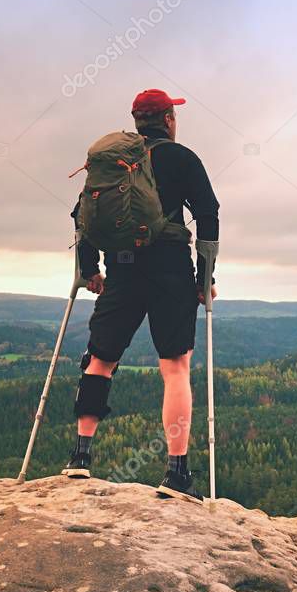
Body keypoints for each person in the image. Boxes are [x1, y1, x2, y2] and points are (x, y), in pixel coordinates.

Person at [64, 88, 219, 501]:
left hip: (122, 268)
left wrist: (89, 269)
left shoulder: (112, 162)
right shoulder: (182, 158)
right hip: (170, 267)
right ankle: (176, 473)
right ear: (168, 119)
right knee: (175, 366)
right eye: (173, 115)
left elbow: (83, 214)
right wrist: (204, 277)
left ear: (136, 121)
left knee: (100, 360)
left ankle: (80, 456)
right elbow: (208, 214)